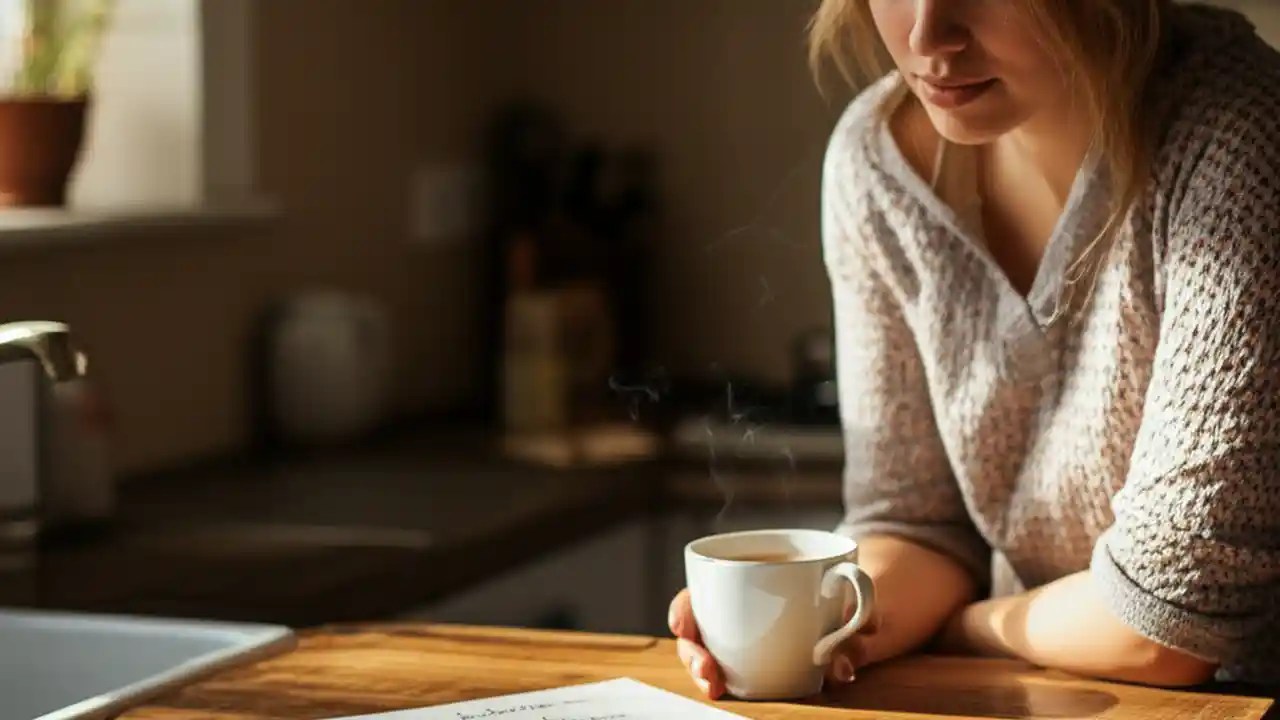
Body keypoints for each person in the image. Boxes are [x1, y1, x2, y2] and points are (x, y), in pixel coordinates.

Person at [669, 0, 1280, 698]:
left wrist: (964, 628)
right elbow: (915, 521)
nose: (929, 37)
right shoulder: (879, 164)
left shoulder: (1243, 142)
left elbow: (1166, 625)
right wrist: (828, 614)